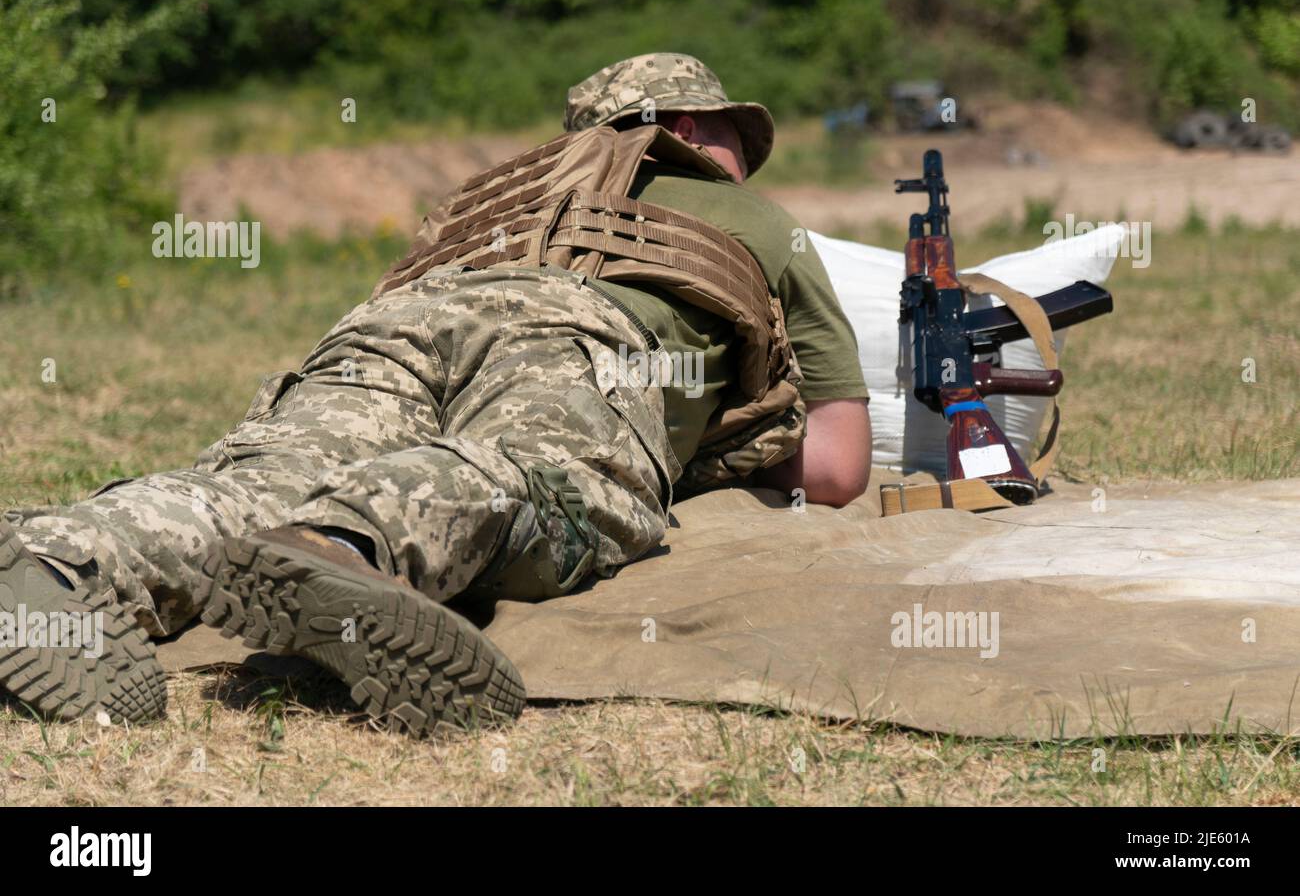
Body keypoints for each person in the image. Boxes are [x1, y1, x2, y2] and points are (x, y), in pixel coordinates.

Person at [0, 53, 871, 736]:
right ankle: (344, 544)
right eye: (733, 140)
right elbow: (836, 468)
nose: (742, 166)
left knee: (254, 482)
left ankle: (57, 560)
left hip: (391, 326)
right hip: (575, 335)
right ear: (684, 126)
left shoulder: (497, 200)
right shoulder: (756, 220)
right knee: (549, 483)